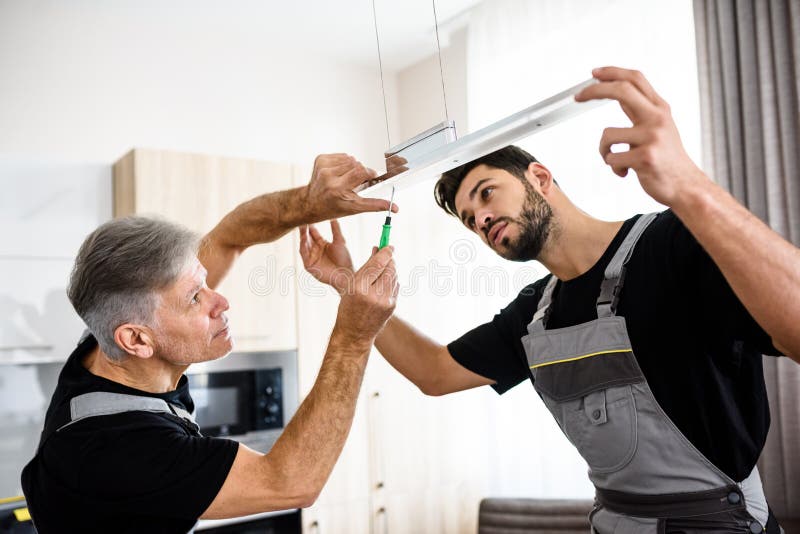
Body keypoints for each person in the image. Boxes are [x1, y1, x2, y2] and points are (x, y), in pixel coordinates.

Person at [299, 68, 800, 533]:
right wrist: (349, 286)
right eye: (469, 219)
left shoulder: (671, 244)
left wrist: (689, 188)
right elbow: (434, 372)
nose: (480, 220)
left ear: (539, 178)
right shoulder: (535, 314)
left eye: (487, 194)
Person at [21, 154, 400, 533]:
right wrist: (353, 337)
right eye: (194, 298)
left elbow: (231, 235)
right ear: (136, 339)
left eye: (204, 283)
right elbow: (290, 483)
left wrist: (306, 203)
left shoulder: (109, 341)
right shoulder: (118, 451)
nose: (221, 301)